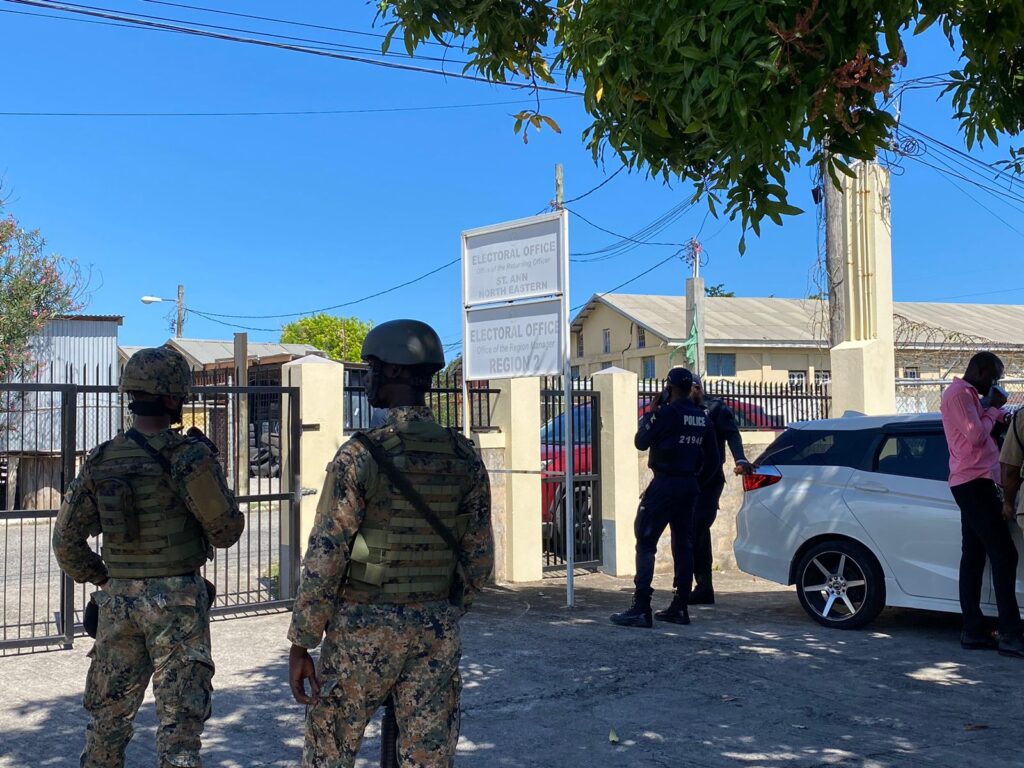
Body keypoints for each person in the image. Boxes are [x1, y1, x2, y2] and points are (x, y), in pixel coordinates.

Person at [287, 319, 494, 768]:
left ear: (396, 373)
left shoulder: (360, 456)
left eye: (373, 368)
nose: (368, 378)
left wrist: (302, 642)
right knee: (427, 757)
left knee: (329, 753)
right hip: (435, 631)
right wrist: (439, 611)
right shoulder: (463, 458)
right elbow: (479, 561)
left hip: (364, 629)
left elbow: (325, 557)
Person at [53, 346, 244, 768]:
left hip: (117, 604)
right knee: (179, 732)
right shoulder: (188, 457)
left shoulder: (101, 460)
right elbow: (226, 531)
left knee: (107, 722)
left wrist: (106, 580)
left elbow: (65, 542)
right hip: (176, 604)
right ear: (175, 398)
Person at [610, 366, 719, 628]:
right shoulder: (703, 417)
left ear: (669, 387)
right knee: (683, 545)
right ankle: (680, 607)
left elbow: (641, 441)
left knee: (646, 541)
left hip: (665, 485)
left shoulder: (666, 414)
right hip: (689, 486)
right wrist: (694, 480)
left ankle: (641, 607)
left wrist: (650, 413)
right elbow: (714, 460)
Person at [939, 351, 1024, 658]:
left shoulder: (968, 395)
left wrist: (994, 412)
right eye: (994, 377)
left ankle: (974, 631)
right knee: (1004, 555)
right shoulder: (959, 394)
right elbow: (975, 437)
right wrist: (993, 410)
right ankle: (1011, 634)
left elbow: (981, 426)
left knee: (974, 557)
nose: (995, 383)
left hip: (976, 480)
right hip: (973, 482)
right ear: (980, 370)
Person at [688, 375, 753, 605]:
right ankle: (700, 586)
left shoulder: (715, 408)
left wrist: (741, 459)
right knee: (692, 532)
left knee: (697, 528)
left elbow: (732, 434)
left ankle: (702, 585)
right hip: (685, 479)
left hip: (709, 480)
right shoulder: (678, 409)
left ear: (697, 388)